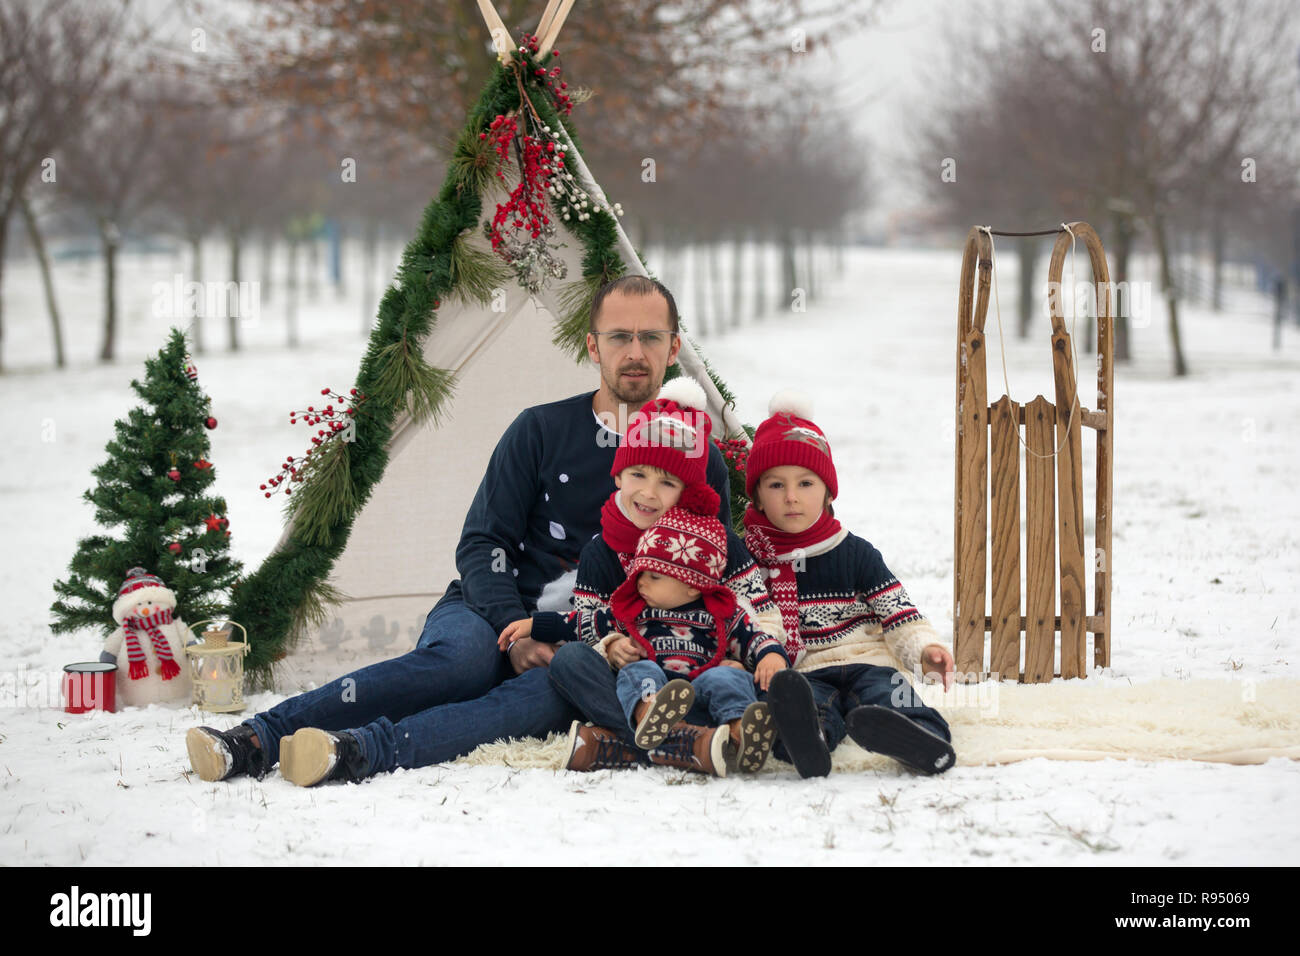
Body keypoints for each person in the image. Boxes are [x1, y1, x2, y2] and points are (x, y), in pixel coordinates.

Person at [184, 274, 735, 786]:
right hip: (489, 607)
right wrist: (514, 627)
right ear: (593, 347)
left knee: (550, 694)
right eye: (619, 336)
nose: (634, 352)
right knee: (464, 661)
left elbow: (712, 573)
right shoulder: (540, 430)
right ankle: (254, 738)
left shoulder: (699, 459)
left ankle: (351, 752)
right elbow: (482, 542)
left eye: (650, 336)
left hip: (593, 638)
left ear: (673, 345)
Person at [508, 458, 787, 776]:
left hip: (704, 691)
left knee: (729, 679)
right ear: (619, 477)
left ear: (692, 588)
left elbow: (755, 634)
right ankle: (663, 725)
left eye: (653, 577)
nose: (639, 583)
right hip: (652, 690)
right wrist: (538, 625)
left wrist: (768, 656)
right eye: (637, 474)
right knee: (609, 666)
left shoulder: (721, 610)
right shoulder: (632, 606)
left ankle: (738, 732)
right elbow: (582, 622)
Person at [742, 392, 958, 778]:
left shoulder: (854, 552)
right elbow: (750, 622)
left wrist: (926, 651)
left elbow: (899, 614)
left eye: (806, 483)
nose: (792, 498)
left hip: (866, 661)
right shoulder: (752, 560)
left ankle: (920, 737)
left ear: (827, 491)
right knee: (806, 704)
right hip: (805, 669)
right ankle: (811, 742)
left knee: (887, 693)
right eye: (775, 485)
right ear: (757, 494)